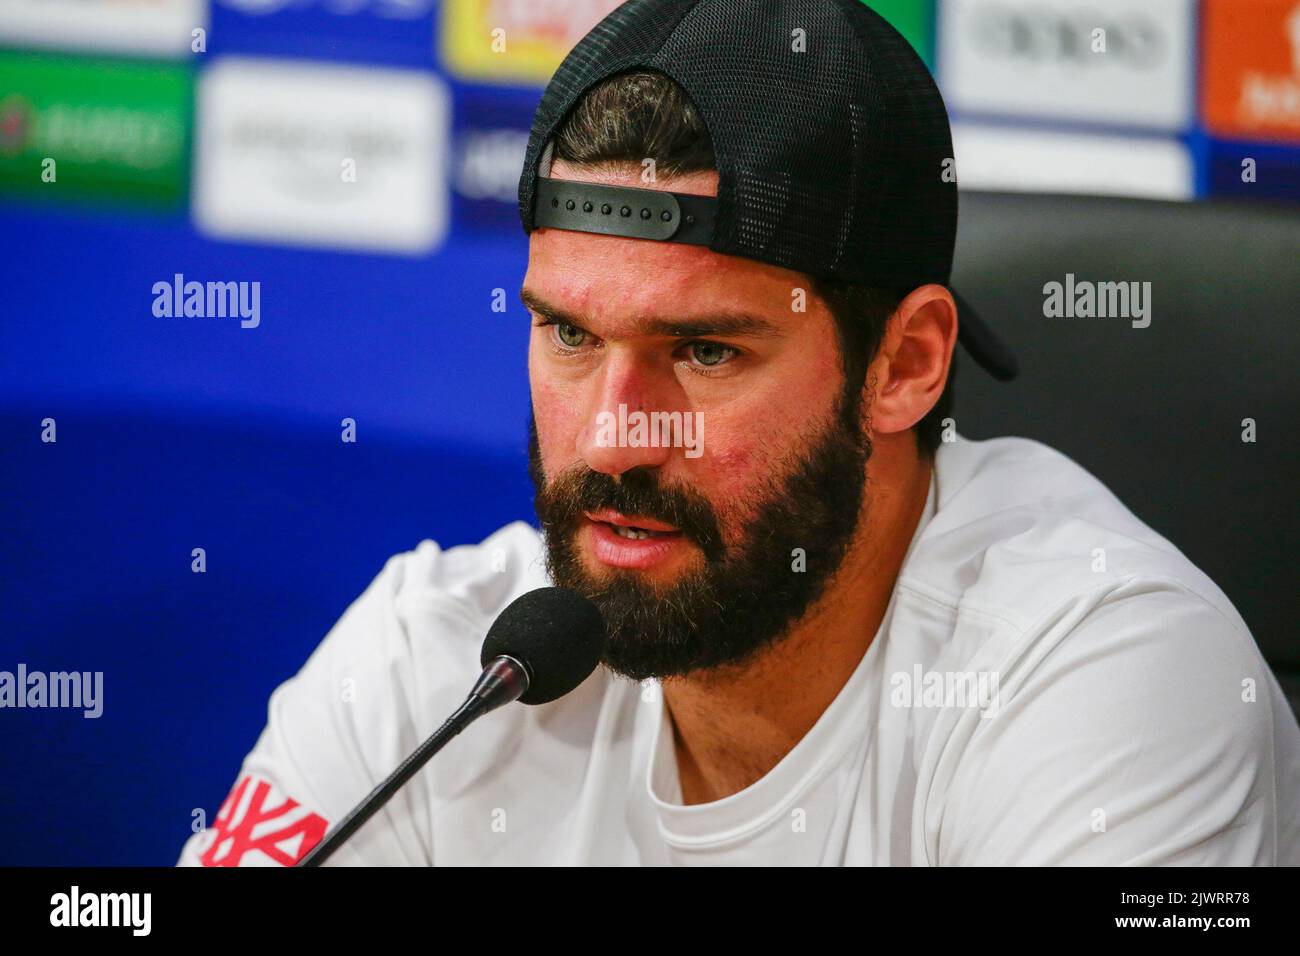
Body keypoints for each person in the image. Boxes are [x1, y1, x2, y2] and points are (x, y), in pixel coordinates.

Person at [178, 0, 1300, 866]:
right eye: (569, 332)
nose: (613, 439)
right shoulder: (441, 672)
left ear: (904, 363)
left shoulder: (1110, 679)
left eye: (706, 350)